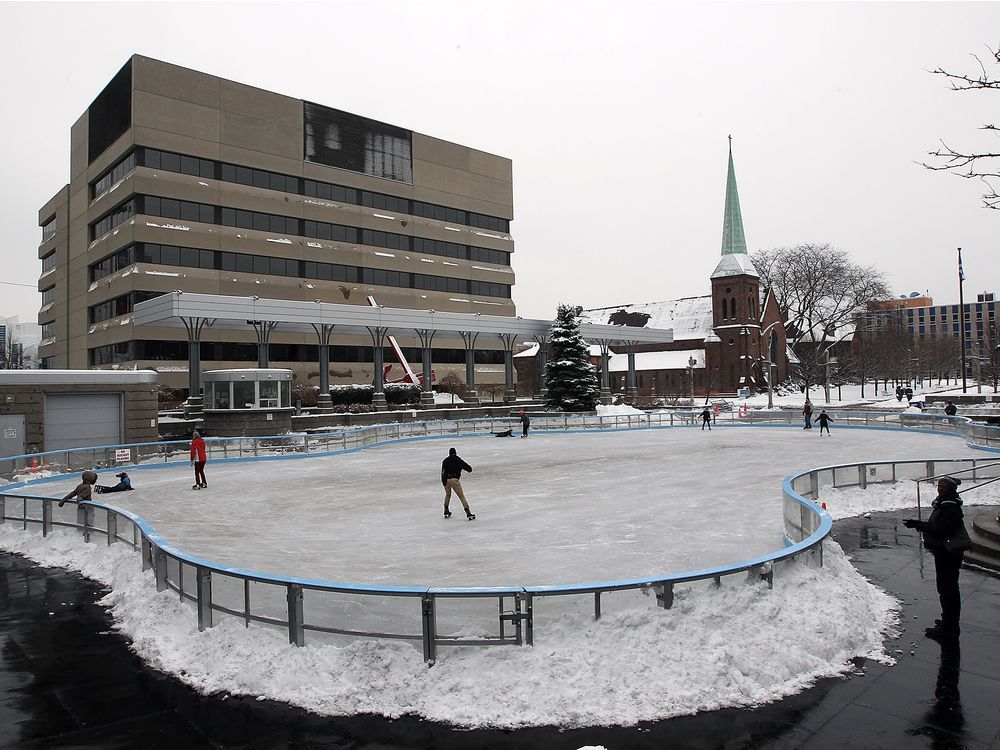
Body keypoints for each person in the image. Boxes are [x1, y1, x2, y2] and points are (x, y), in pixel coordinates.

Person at [903, 476, 972, 640]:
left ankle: (950, 627)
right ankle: (948, 621)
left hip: (948, 553)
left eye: (943, 486)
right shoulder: (945, 502)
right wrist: (918, 523)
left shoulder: (950, 507)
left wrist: (918, 525)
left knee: (948, 589)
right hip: (944, 551)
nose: (939, 488)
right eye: (939, 485)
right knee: (946, 589)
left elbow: (942, 530)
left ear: (951, 489)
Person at [440, 447, 475, 520]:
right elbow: (468, 468)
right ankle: (468, 513)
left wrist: (444, 482)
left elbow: (443, 472)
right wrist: (469, 469)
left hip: (446, 480)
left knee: (448, 495)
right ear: (455, 453)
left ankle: (446, 510)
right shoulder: (457, 459)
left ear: (449, 453)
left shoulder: (445, 460)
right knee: (461, 496)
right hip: (454, 480)